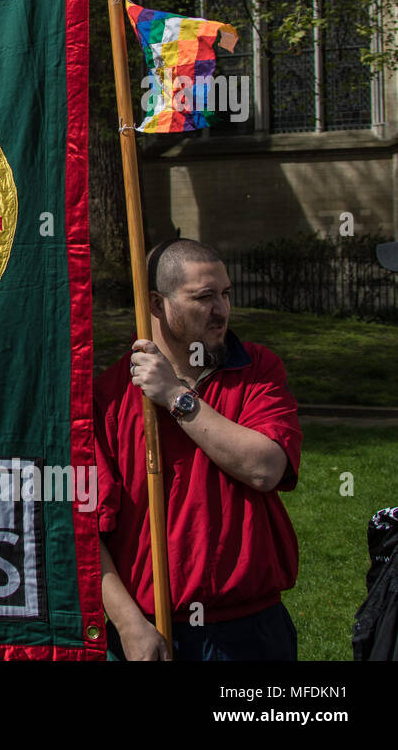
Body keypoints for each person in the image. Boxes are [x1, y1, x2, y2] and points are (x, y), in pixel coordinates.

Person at [95, 239, 301, 660]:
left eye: (225, 294)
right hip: (151, 632)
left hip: (249, 628)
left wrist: (176, 396)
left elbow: (266, 469)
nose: (222, 310)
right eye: (204, 297)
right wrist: (130, 626)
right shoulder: (108, 397)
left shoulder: (257, 370)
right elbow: (82, 530)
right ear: (155, 303)